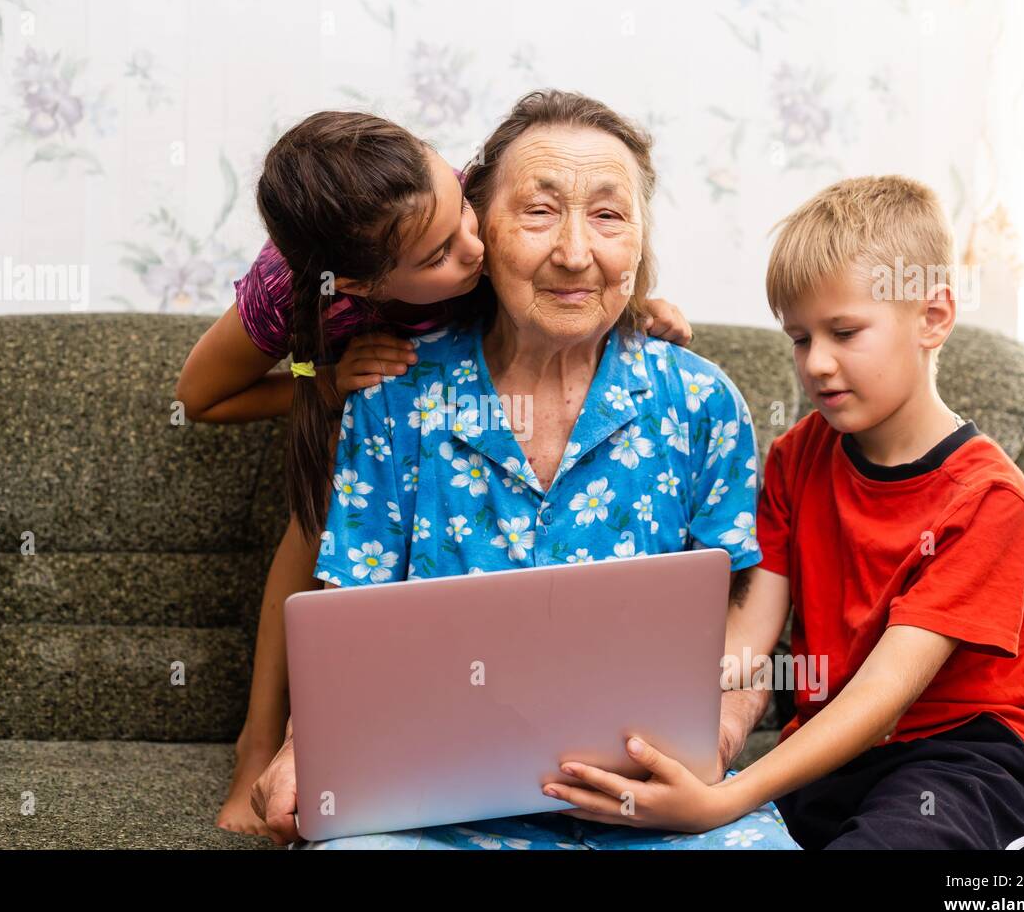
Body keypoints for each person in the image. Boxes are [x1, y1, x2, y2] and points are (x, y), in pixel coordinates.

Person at [252, 89, 801, 850]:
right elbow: (344, 628)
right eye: (539, 212)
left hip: (653, 810)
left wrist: (720, 743)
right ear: (480, 231)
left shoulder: (703, 401)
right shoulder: (392, 399)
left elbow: (747, 604)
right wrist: (297, 754)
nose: (576, 253)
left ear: (639, 244)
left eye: (609, 216)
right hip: (437, 811)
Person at [174, 110, 693, 834]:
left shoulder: (455, 203)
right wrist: (321, 380)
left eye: (465, 216)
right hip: (367, 401)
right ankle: (256, 743)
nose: (475, 249)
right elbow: (201, 397)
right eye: (441, 255)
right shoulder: (288, 288)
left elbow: (567, 261)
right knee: (316, 530)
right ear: (361, 284)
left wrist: (636, 307)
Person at [718, 175, 1024, 848]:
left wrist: (732, 794)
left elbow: (884, 696)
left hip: (968, 764)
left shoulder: (985, 495)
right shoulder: (797, 458)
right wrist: (695, 730)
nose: (816, 364)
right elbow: (748, 637)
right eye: (799, 338)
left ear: (934, 318)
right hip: (835, 760)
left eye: (845, 331)